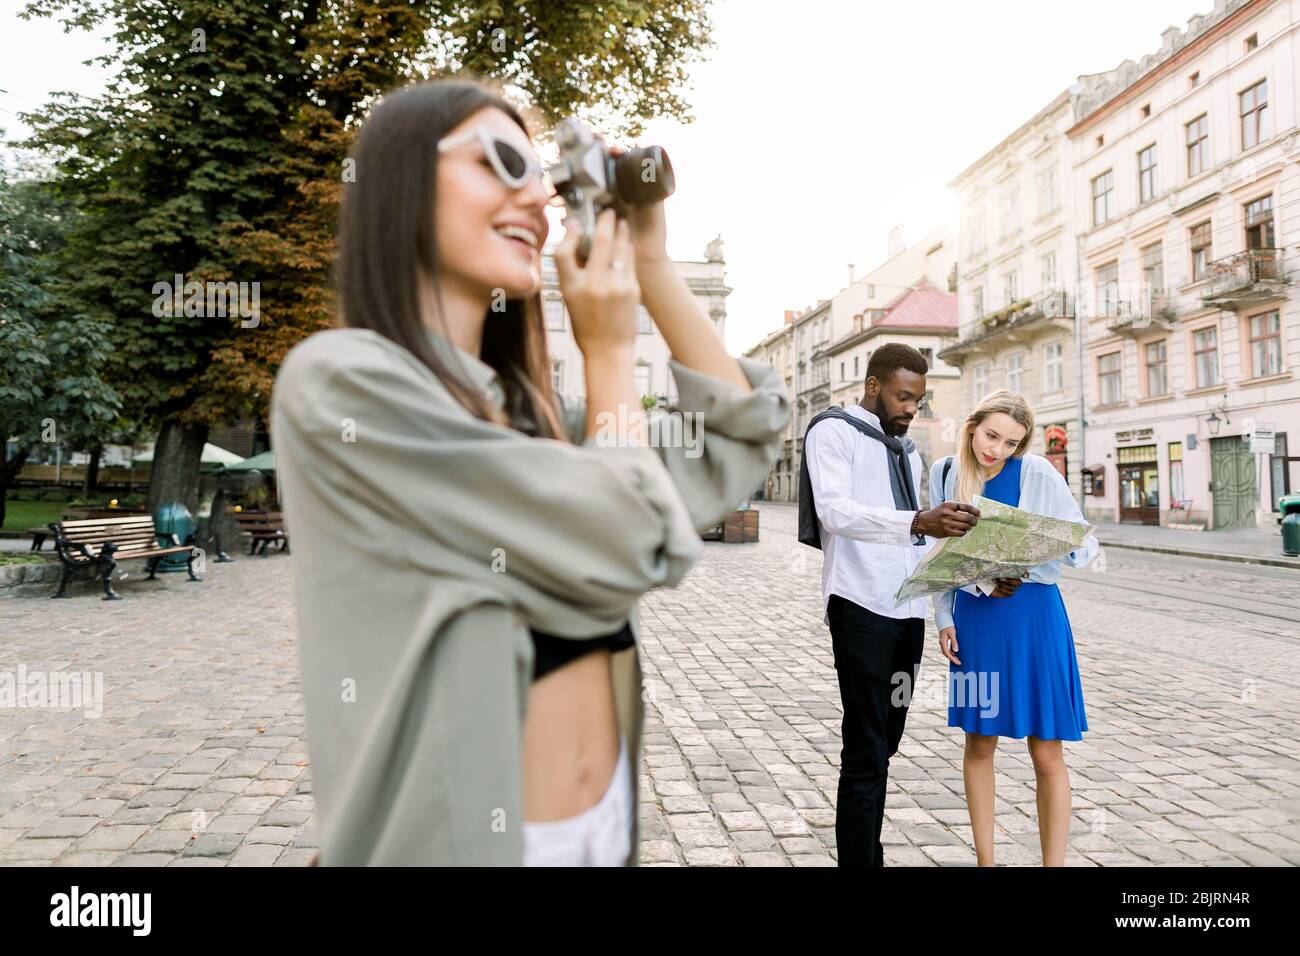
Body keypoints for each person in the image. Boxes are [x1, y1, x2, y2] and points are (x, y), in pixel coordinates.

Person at [270, 78, 790, 865]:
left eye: (541, 179)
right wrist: (612, 356)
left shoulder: (534, 418)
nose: (535, 197)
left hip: (596, 836)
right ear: (401, 180)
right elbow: (619, 536)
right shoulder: (342, 385)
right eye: (502, 160)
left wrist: (649, 260)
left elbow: (737, 438)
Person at [800, 343, 980, 867]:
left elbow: (918, 537)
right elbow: (835, 512)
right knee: (865, 749)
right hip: (860, 606)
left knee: (886, 743)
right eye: (903, 397)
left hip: (908, 612)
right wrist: (918, 521)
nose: (910, 409)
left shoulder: (907, 450)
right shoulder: (832, 431)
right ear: (874, 386)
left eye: (918, 401)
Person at [929, 389, 1099, 867]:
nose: (997, 450)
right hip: (977, 619)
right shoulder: (944, 473)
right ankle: (987, 862)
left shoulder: (1038, 472)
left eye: (1010, 443)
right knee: (979, 743)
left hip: (1035, 618)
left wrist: (1040, 550)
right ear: (972, 425)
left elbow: (1082, 543)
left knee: (1046, 751)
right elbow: (941, 553)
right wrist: (943, 618)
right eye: (991, 436)